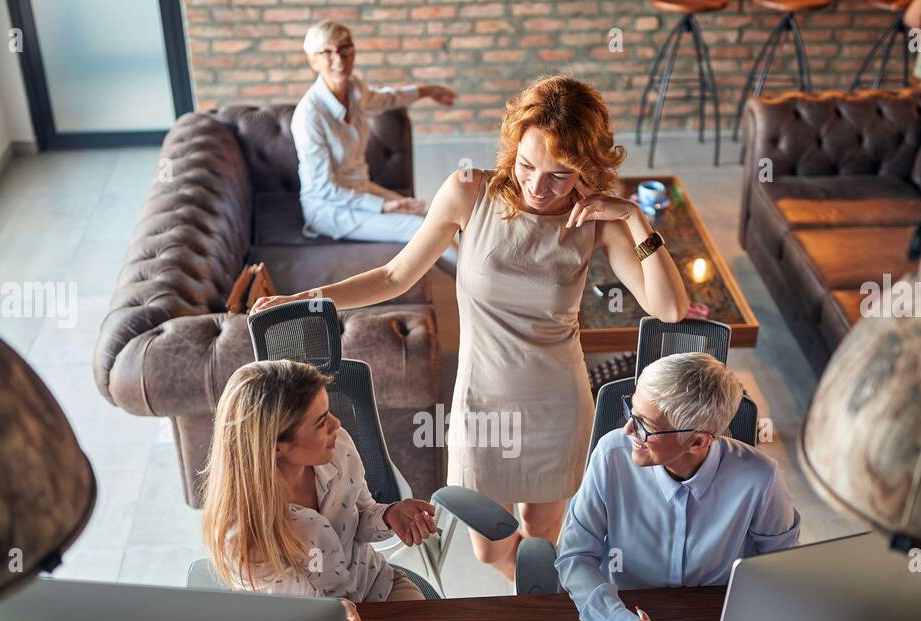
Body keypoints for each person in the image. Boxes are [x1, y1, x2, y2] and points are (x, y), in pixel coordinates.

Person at [255, 75, 691, 583]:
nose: (537, 186)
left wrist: (636, 219)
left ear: (585, 168)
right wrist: (306, 299)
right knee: (490, 549)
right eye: (527, 165)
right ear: (512, 147)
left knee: (540, 537)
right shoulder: (471, 192)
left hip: (557, 408)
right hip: (483, 406)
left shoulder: (594, 220)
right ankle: (548, 604)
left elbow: (670, 308)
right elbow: (395, 275)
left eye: (560, 174)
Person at [556, 354, 801, 621]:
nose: (629, 429)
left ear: (697, 442)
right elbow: (574, 557)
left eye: (645, 426)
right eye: (632, 410)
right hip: (625, 616)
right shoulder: (610, 455)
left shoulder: (760, 478)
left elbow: (783, 569)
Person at [201, 360, 438, 621]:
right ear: (276, 447)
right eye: (321, 422)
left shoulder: (339, 447)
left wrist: (388, 516)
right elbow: (293, 608)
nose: (337, 425)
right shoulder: (241, 532)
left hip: (377, 587)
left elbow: (361, 514)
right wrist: (325, 612)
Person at [293, 20, 457, 253]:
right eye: (327, 52)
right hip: (330, 208)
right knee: (420, 228)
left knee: (429, 215)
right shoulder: (309, 116)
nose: (339, 60)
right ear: (313, 61)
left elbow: (388, 98)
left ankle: (478, 274)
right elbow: (324, 190)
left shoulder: (354, 89)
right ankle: (479, 286)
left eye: (344, 48)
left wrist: (427, 90)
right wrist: (383, 206)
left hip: (359, 189)